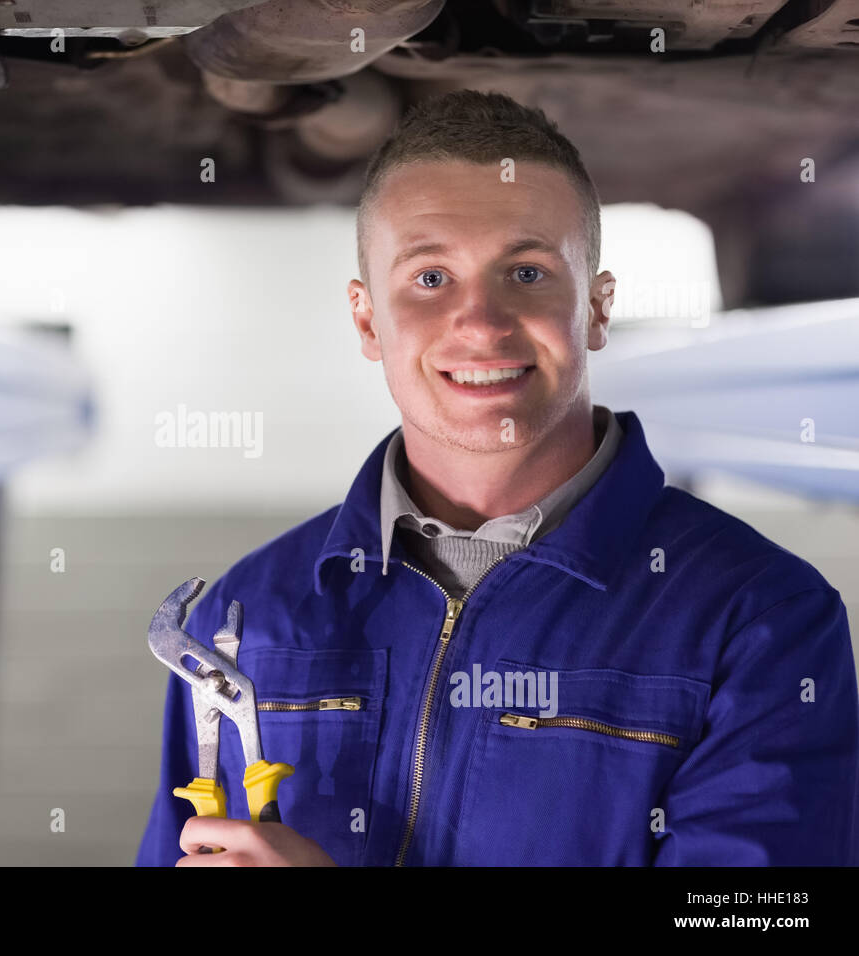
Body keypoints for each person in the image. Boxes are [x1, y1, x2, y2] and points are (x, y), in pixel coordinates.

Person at [135, 90, 859, 866]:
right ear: (367, 320)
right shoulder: (246, 617)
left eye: (526, 271)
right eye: (430, 279)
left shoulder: (760, 618)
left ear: (596, 308)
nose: (480, 323)